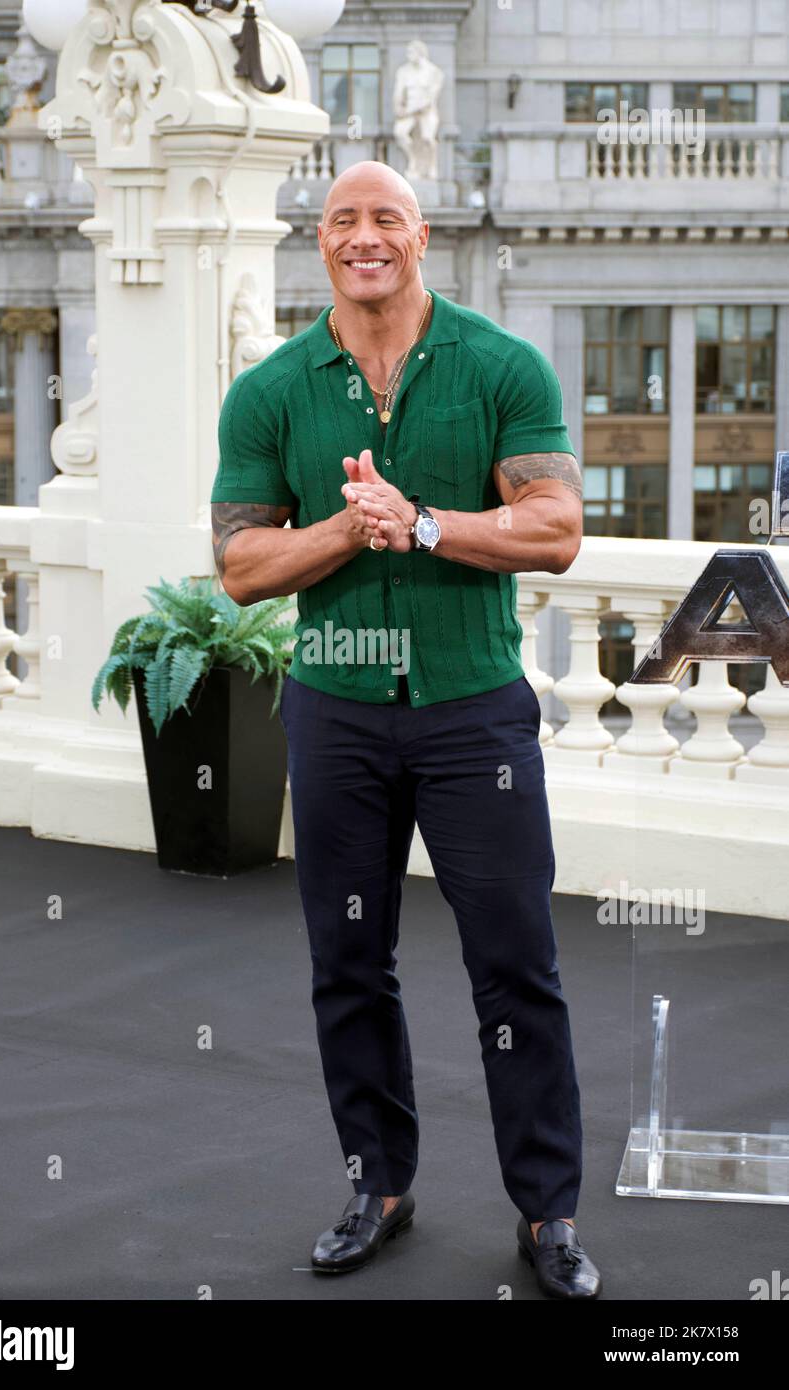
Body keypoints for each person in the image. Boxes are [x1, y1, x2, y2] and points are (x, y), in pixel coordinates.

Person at [210, 160, 601, 1300]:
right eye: (343, 220)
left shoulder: (501, 365)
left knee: (515, 965)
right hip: (334, 708)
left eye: (386, 217)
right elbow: (240, 564)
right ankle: (376, 1187)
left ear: (419, 236)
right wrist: (350, 527)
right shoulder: (271, 389)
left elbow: (555, 528)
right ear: (320, 243)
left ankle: (549, 1213)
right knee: (347, 962)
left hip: (472, 711)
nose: (364, 236)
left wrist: (421, 523)